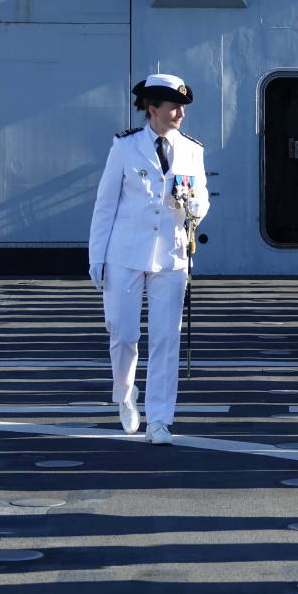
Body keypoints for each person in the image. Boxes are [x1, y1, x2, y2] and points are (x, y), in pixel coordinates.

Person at [88, 74, 209, 445]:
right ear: (152, 109)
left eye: (183, 106)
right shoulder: (125, 148)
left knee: (165, 340)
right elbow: (105, 205)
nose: (180, 113)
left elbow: (203, 198)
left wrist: (194, 206)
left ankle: (160, 418)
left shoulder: (192, 150)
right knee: (123, 334)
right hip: (124, 254)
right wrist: (97, 258)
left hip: (170, 256)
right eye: (173, 106)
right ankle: (124, 394)